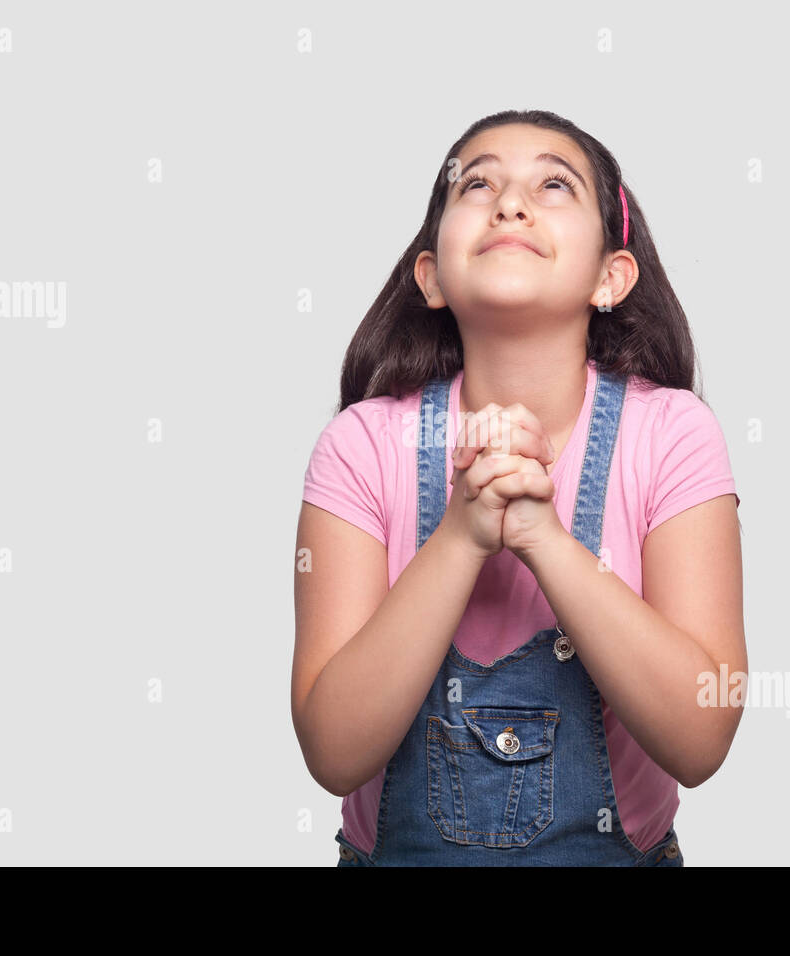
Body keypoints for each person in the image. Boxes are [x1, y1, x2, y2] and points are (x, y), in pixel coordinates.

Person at [293, 109, 745, 866]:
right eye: (477, 184)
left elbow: (701, 738)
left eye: (553, 184)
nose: (509, 203)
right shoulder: (362, 445)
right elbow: (334, 752)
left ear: (610, 277)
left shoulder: (672, 435)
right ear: (432, 276)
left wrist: (544, 539)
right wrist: (460, 536)